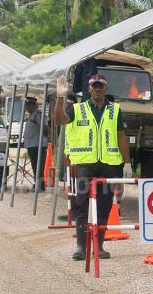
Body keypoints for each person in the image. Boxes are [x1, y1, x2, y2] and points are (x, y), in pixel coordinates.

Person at [55, 73, 131, 261]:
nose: (97, 89)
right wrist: (60, 97)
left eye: (100, 85)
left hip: (109, 165)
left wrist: (127, 161)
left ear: (105, 88)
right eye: (93, 86)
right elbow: (59, 120)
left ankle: (99, 246)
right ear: (88, 89)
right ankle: (81, 247)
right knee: (81, 205)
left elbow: (122, 136)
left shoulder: (115, 110)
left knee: (104, 207)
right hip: (85, 164)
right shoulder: (78, 109)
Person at [22, 97, 49, 191]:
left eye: (28, 105)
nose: (26, 107)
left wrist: (45, 138)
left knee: (39, 166)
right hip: (32, 145)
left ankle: (40, 185)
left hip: (38, 144)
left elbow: (45, 128)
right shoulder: (32, 115)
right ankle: (37, 183)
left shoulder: (38, 115)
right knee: (35, 165)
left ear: (33, 105)